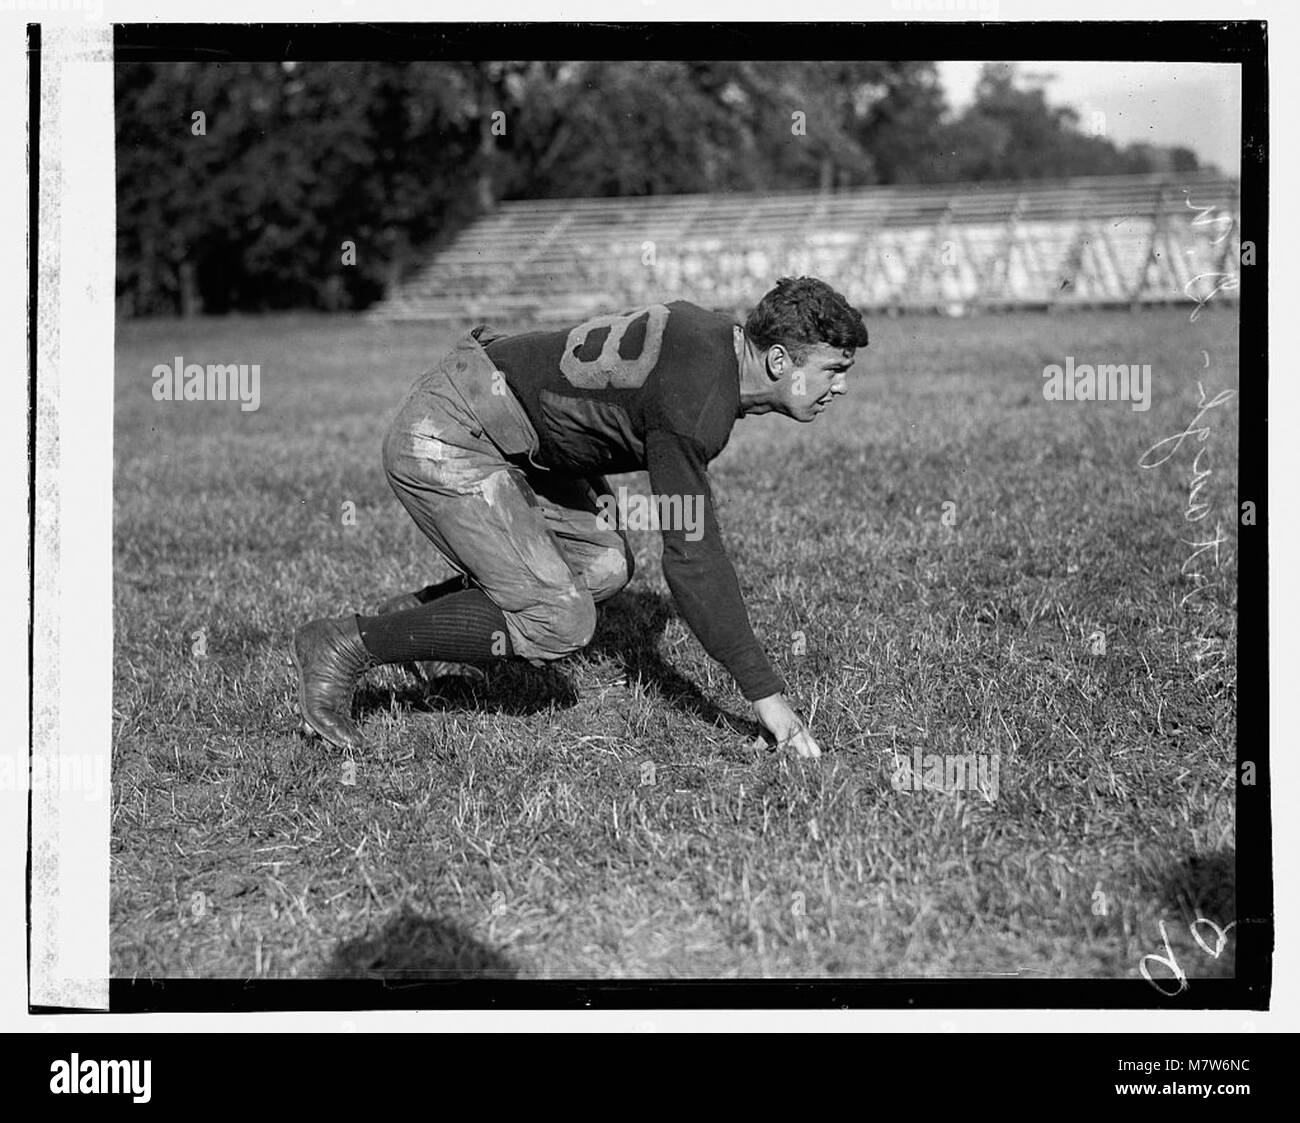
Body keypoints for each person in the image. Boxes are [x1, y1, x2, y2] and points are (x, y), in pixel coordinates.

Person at [291, 275, 869, 759]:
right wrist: (767, 696)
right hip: (450, 432)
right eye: (832, 370)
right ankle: (343, 644)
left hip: (515, 431)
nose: (840, 387)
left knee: (604, 565)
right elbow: (694, 558)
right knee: (561, 620)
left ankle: (421, 618)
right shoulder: (697, 401)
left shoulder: (716, 339)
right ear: (776, 360)